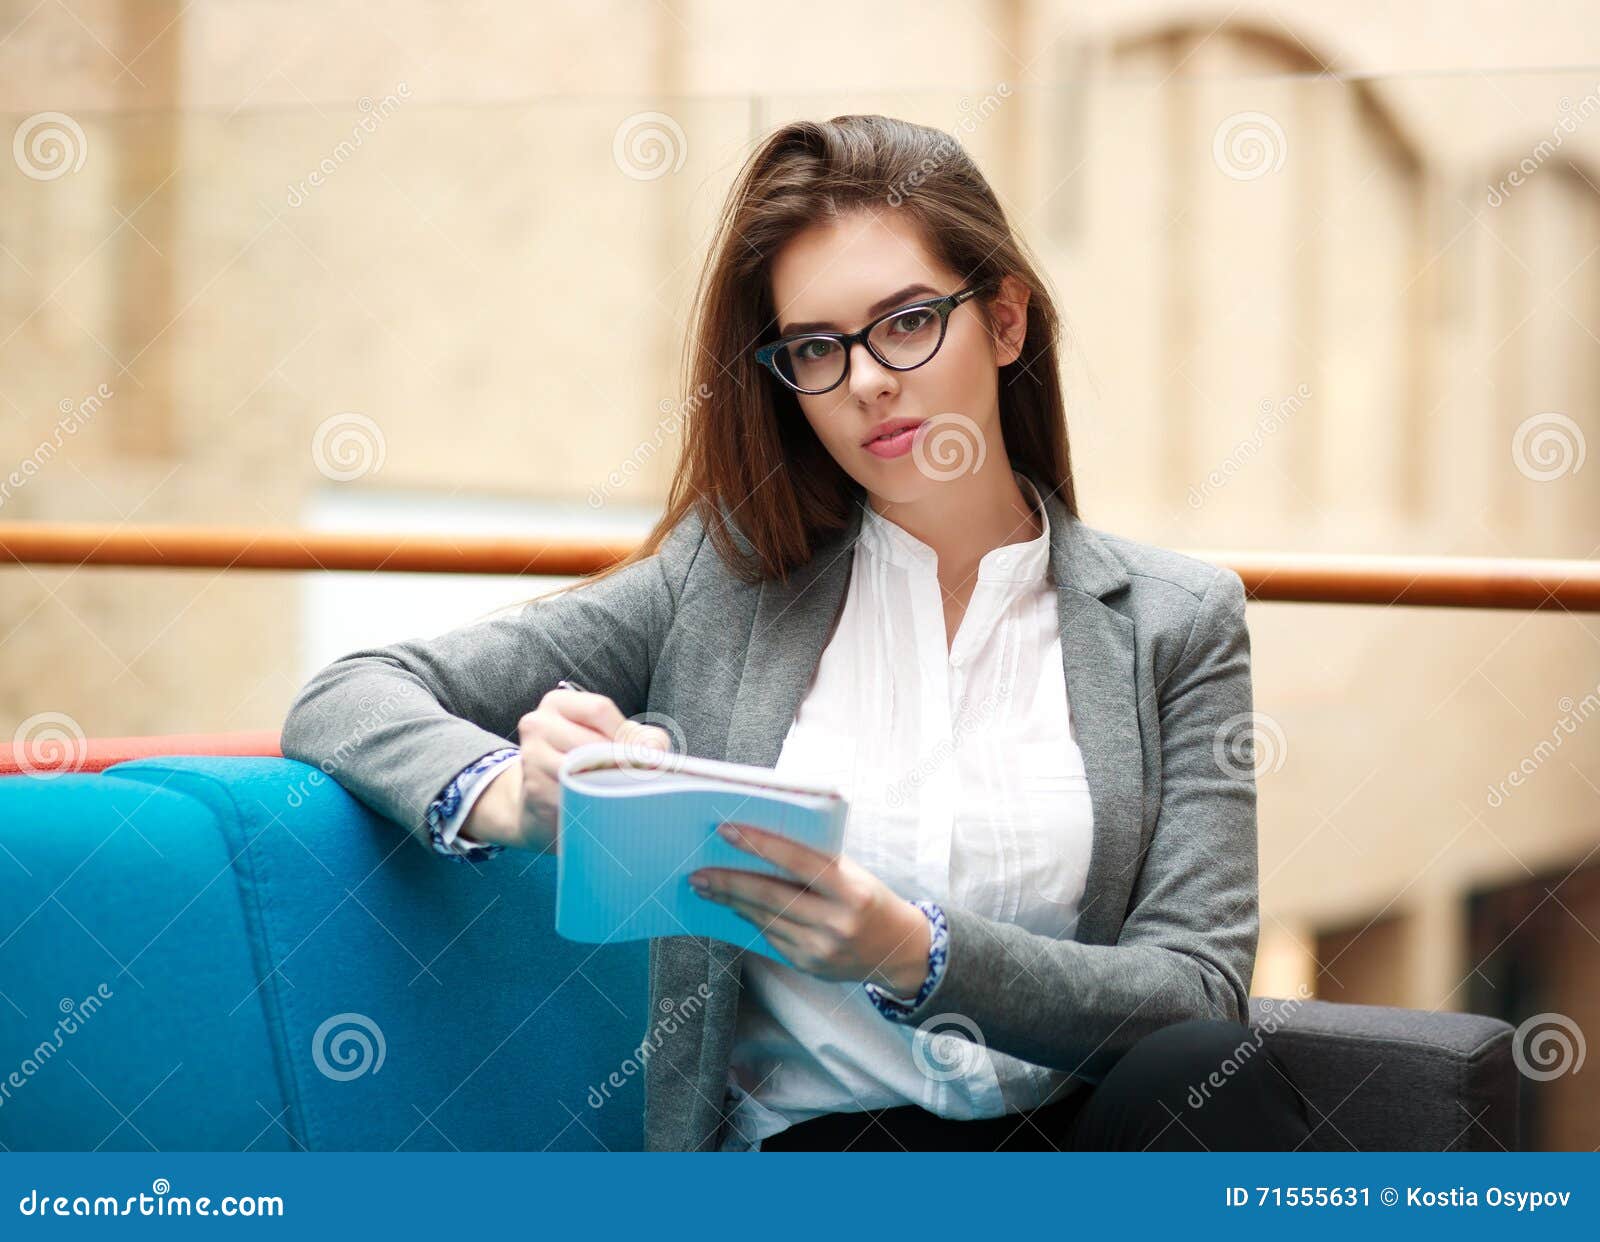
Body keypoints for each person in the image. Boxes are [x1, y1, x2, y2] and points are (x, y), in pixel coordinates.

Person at [281, 113, 1313, 1152]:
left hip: (1077, 1145)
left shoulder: (1175, 621)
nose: (865, 380)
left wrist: (913, 951)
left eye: (908, 322)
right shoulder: (719, 581)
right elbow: (351, 694)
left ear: (1004, 321)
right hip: (820, 1161)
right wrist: (517, 795)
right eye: (817, 348)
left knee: (1209, 1081)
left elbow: (1197, 992)